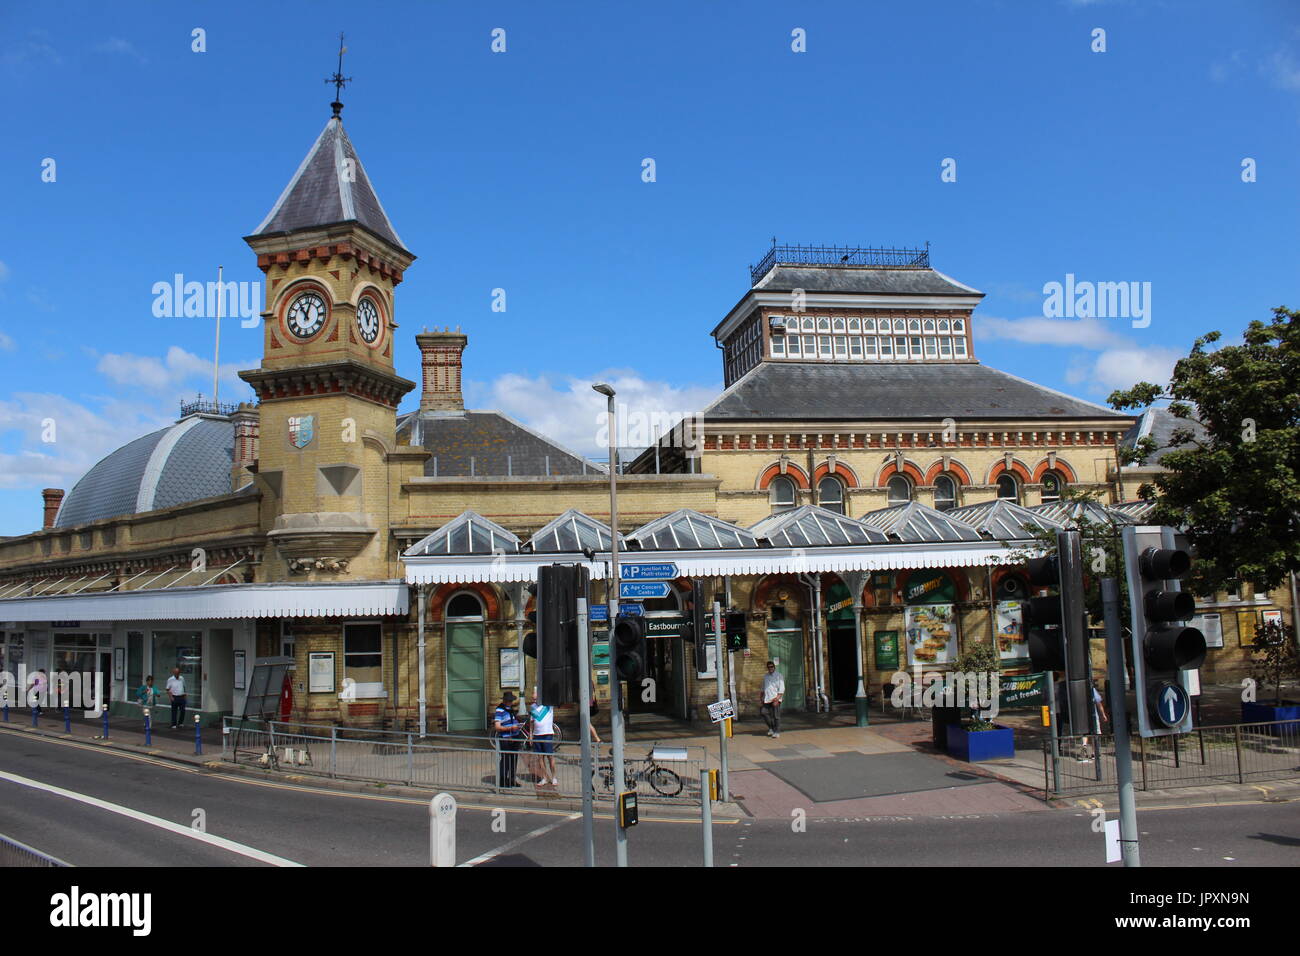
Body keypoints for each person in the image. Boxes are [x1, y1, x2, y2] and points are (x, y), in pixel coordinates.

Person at [527, 689, 558, 787]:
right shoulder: (533, 707)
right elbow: (531, 722)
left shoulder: (548, 705)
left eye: (535, 695)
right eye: (533, 696)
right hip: (537, 735)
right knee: (540, 757)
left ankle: (554, 777)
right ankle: (544, 777)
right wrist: (531, 734)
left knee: (550, 756)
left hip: (547, 734)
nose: (533, 697)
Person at [493, 691, 523, 787]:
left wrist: (517, 726)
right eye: (509, 701)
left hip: (515, 736)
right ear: (505, 700)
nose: (511, 702)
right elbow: (497, 727)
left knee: (514, 759)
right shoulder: (499, 710)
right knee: (505, 759)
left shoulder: (511, 710)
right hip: (506, 738)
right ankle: (503, 781)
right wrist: (510, 728)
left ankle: (512, 779)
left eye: (511, 701)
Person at [760, 661, 785, 738]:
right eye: (769, 667)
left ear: (774, 667)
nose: (770, 668)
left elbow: (782, 688)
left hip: (775, 698)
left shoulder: (779, 676)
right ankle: (771, 728)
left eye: (772, 667)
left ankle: (777, 732)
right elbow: (763, 688)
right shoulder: (766, 676)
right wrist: (761, 697)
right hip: (767, 699)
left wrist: (777, 699)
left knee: (776, 716)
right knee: (764, 712)